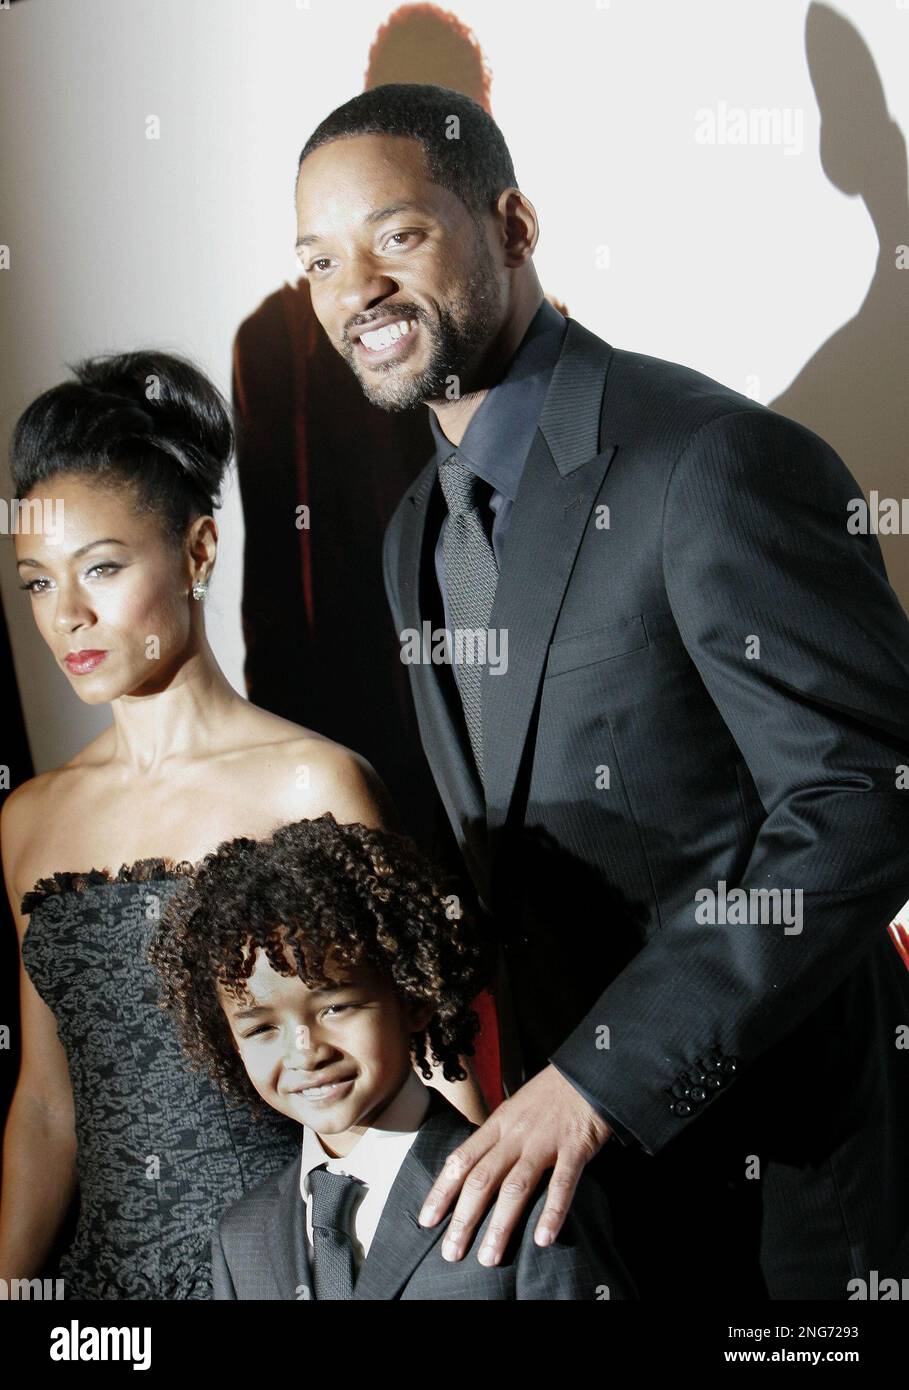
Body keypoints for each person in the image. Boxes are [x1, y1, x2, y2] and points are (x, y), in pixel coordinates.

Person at [292, 82, 909, 1298]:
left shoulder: (708, 459)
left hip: (791, 1191)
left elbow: (862, 800)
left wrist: (602, 1080)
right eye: (317, 260)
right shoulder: (413, 530)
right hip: (582, 1207)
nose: (353, 288)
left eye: (396, 235)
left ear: (513, 225)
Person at [0, 350, 485, 1299]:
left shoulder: (313, 782)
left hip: (285, 1273)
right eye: (36, 582)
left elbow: (428, 1048)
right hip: (98, 1298)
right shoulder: (28, 819)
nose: (69, 617)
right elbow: (48, 1105)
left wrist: (467, 1259)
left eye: (101, 567)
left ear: (198, 551)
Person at [149, 813, 636, 1300]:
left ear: (414, 998)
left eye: (335, 1006)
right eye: (260, 1028)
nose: (306, 1051)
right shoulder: (241, 1238)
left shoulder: (525, 1194)